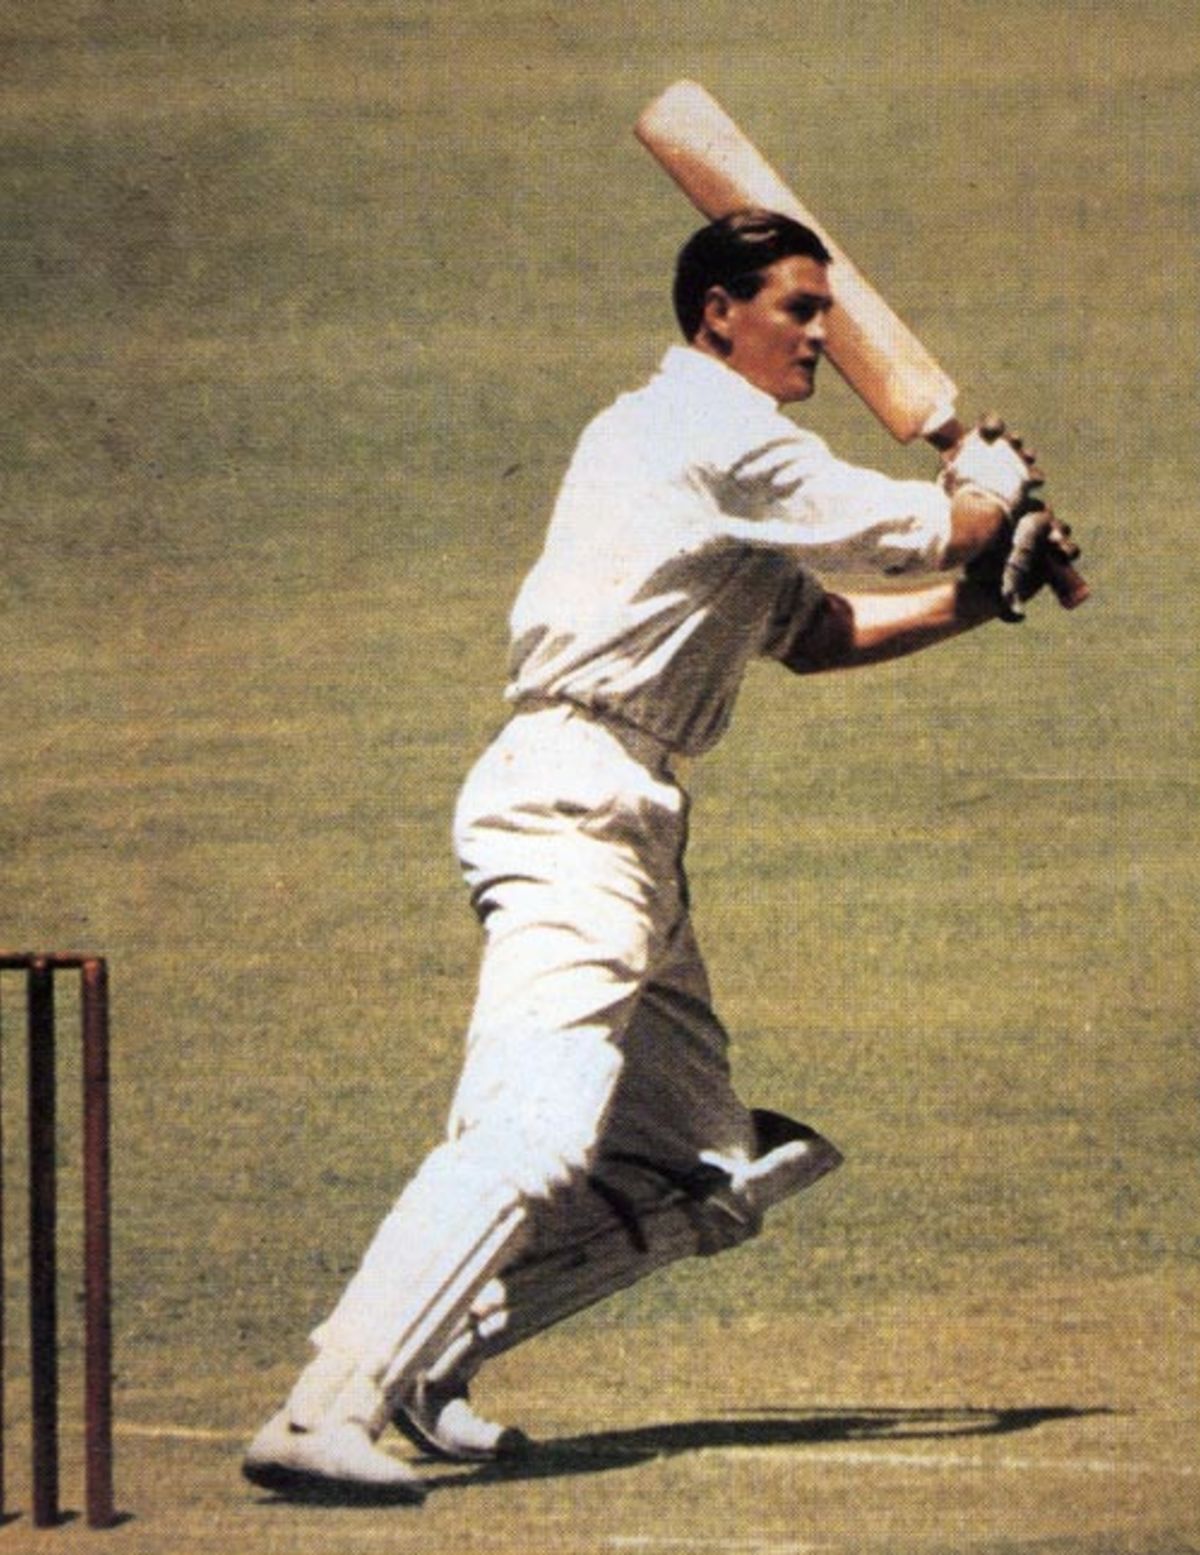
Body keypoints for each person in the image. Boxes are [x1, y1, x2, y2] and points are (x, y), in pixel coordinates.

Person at [244, 209, 1065, 1503]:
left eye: (824, 311)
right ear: (718, 314)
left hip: (629, 815)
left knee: (709, 1165)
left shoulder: (722, 468)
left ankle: (432, 1359)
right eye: (799, 309)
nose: (821, 336)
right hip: (571, 801)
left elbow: (817, 633)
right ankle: (324, 1405)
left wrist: (983, 595)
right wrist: (985, 488)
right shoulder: (704, 429)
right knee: (532, 1127)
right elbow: (925, 528)